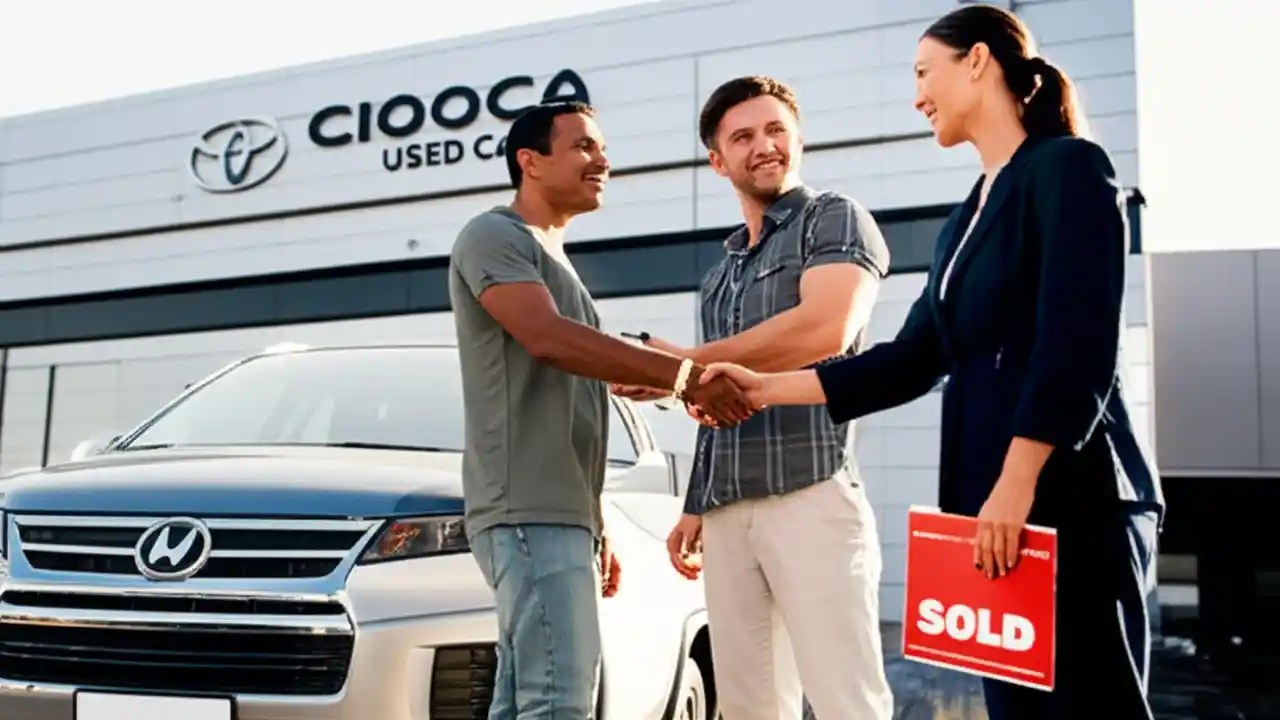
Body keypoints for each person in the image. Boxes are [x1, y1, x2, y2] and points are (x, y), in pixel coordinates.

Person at [698, 6, 1165, 720]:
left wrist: (1014, 485)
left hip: (1071, 499)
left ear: (977, 61)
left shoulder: (1069, 167)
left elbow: (1077, 344)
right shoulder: (967, 215)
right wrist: (762, 389)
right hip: (994, 514)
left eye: (924, 72)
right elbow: (910, 359)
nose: (917, 96)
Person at [447, 101, 754, 719]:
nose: (603, 161)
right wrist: (686, 377)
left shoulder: (548, 255)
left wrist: (594, 521)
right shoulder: (494, 236)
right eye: (583, 147)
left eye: (603, 148)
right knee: (559, 699)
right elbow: (549, 340)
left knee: (525, 699)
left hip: (557, 512)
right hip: (527, 506)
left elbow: (572, 399)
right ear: (530, 162)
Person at [613, 76, 894, 719]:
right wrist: (696, 504)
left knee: (847, 700)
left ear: (798, 139)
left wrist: (679, 366)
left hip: (810, 493)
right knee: (747, 705)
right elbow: (718, 399)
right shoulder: (720, 274)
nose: (764, 146)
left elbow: (825, 329)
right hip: (728, 511)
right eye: (743, 137)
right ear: (719, 161)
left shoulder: (833, 217)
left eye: (775, 131)